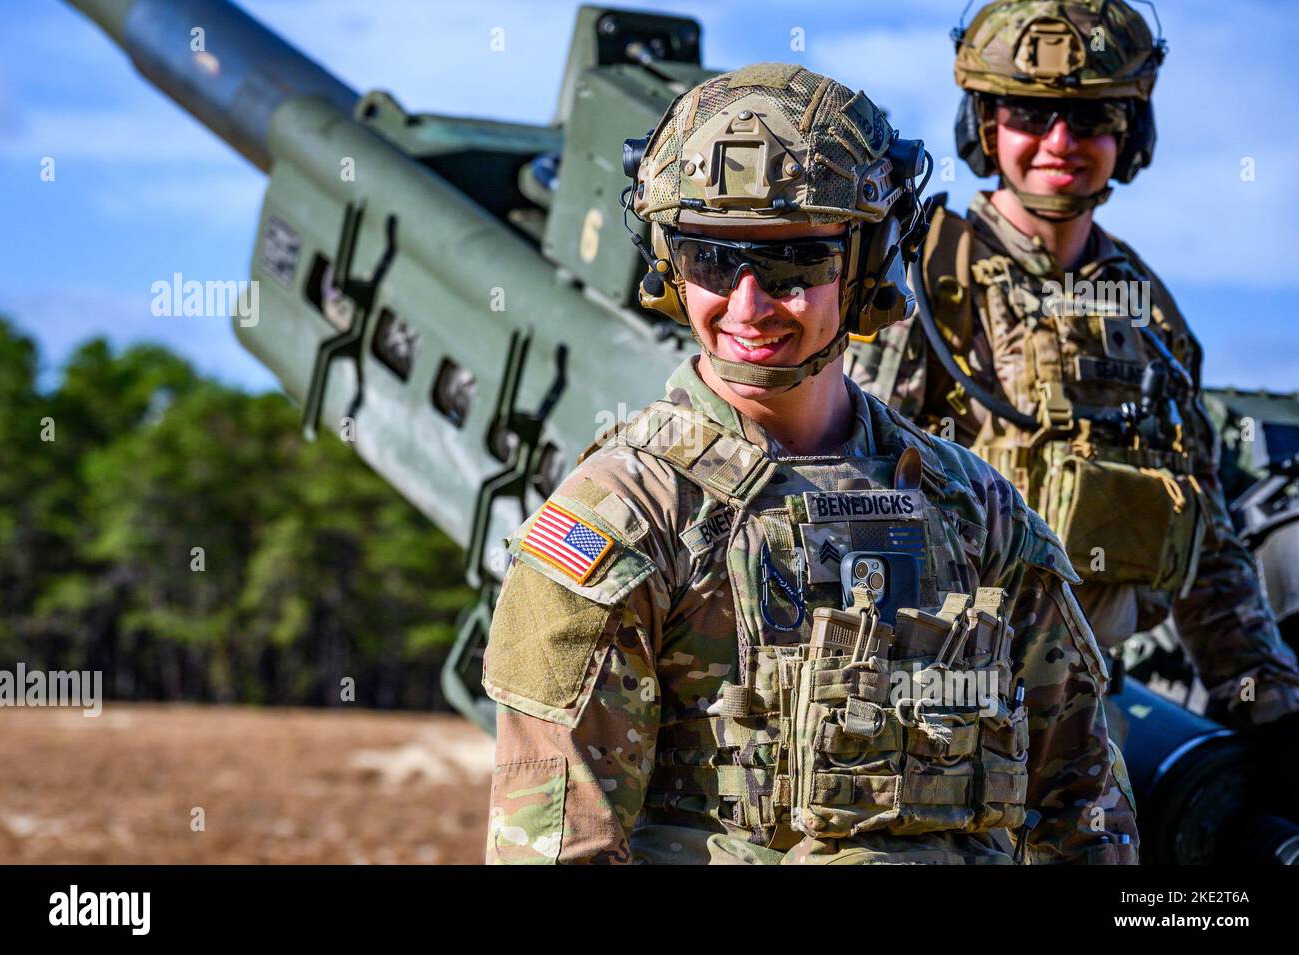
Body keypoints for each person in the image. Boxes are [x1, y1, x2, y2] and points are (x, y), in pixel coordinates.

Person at [482, 63, 1137, 864]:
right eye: (714, 261)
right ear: (666, 259)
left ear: (865, 265)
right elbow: (557, 848)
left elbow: (1082, 810)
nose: (750, 306)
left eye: (795, 261)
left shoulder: (977, 511)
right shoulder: (618, 518)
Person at [844, 0, 1299, 753]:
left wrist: (1268, 703)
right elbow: (842, 496)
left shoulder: (1152, 317)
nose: (1061, 142)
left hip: (1087, 718)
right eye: (1029, 114)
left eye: (1091, 119)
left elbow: (1209, 548)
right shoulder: (926, 282)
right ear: (984, 127)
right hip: (929, 712)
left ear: (1132, 134)